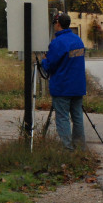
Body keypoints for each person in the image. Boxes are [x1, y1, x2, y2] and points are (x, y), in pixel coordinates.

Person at [41, 12, 86, 149]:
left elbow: (50, 66)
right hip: (78, 86)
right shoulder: (78, 40)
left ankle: (67, 148)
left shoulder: (57, 42)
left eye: (54, 24)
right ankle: (80, 147)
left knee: (62, 118)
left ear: (58, 24)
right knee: (77, 117)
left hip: (62, 87)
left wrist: (44, 60)